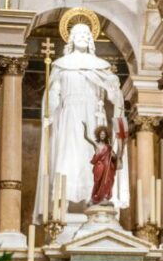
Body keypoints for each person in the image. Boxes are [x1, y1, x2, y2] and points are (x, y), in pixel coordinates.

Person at [34, 23, 128, 219]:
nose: (83, 36)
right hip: (69, 118)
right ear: (71, 38)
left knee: (92, 159)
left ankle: (93, 200)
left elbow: (114, 95)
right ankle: (62, 206)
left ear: (92, 39)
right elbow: (53, 92)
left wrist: (115, 91)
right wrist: (49, 112)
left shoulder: (101, 66)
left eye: (87, 34)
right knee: (68, 157)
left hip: (93, 118)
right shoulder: (61, 64)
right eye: (78, 33)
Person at [82, 123, 124, 205]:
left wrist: (115, 155)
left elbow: (114, 157)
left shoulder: (108, 147)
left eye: (104, 134)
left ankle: (105, 197)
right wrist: (85, 127)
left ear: (106, 135)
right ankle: (95, 197)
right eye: (101, 134)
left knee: (107, 181)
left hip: (108, 168)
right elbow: (86, 137)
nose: (102, 135)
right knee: (97, 182)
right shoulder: (96, 144)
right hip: (99, 166)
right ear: (98, 135)